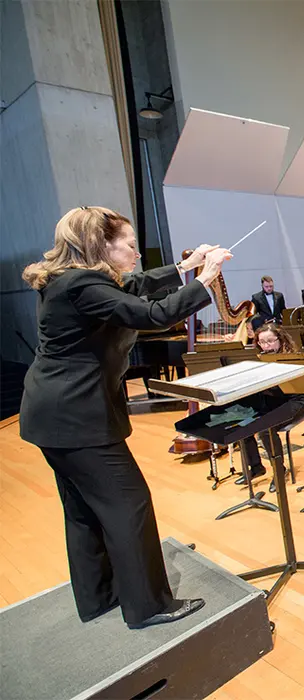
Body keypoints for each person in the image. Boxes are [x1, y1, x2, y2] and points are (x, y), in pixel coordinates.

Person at [20, 206, 231, 629]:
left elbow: (134, 283)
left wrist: (183, 267)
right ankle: (149, 605)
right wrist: (204, 281)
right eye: (131, 245)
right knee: (129, 505)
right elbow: (150, 314)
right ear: (102, 246)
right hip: (77, 418)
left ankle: (99, 596)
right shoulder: (83, 285)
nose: (137, 253)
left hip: (53, 416)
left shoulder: (73, 281)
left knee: (83, 511)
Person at [239, 323, 304, 489]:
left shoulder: (291, 359)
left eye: (270, 341)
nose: (266, 346)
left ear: (280, 340)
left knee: (265, 428)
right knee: (242, 422)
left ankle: (279, 469)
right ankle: (255, 466)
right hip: (270, 403)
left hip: (293, 402)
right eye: (262, 342)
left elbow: (290, 390)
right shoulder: (259, 359)